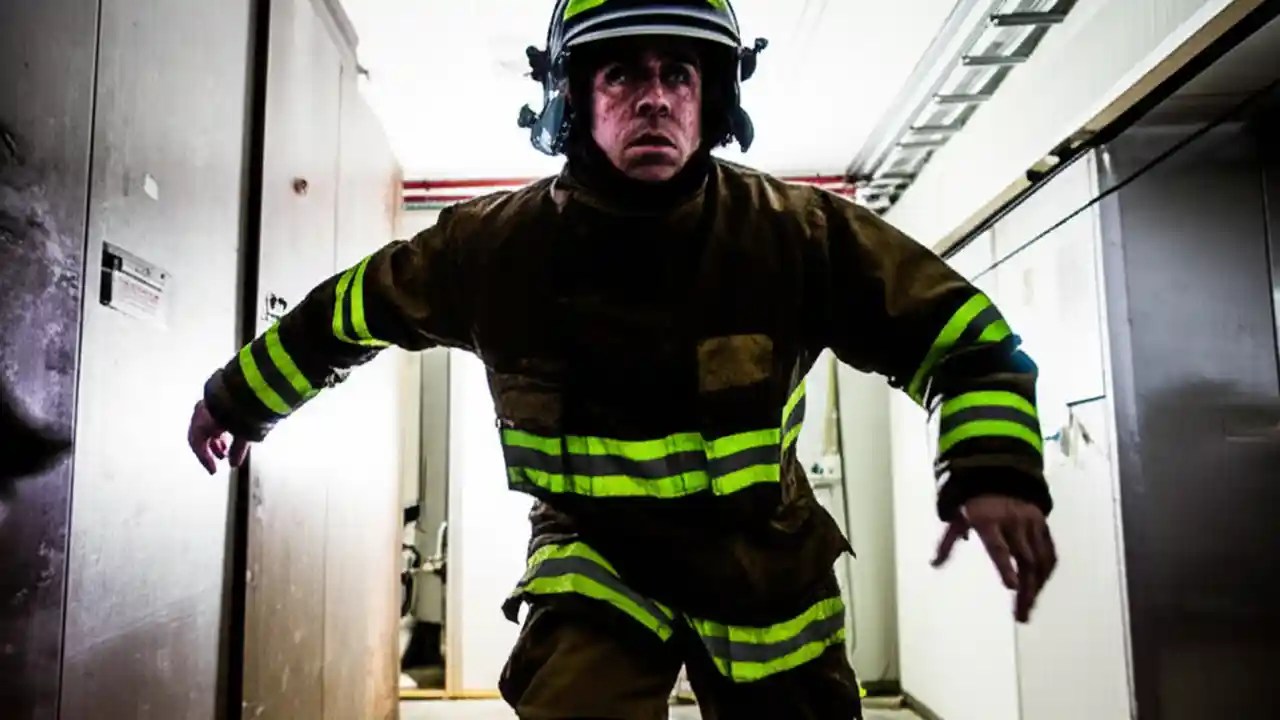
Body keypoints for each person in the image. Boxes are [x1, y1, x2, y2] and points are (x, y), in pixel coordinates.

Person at [187, 1, 1057, 717]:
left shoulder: (795, 237)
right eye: (623, 73)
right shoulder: (495, 252)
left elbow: (965, 338)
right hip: (595, 558)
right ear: (573, 98)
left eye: (677, 74)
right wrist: (238, 398)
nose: (653, 99)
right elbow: (349, 313)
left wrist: (994, 467)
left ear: (711, 100)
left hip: (762, 558)